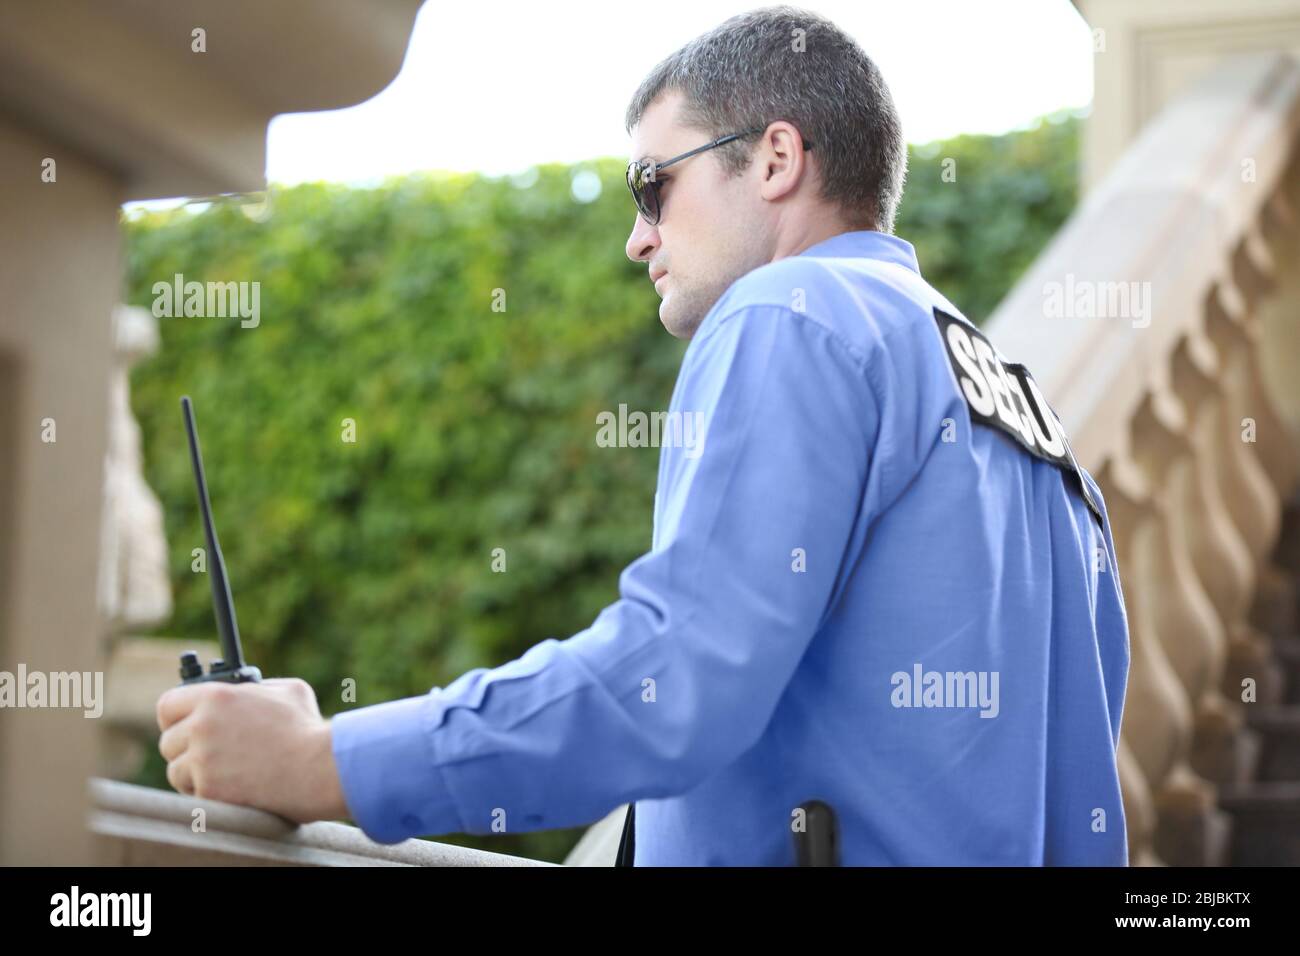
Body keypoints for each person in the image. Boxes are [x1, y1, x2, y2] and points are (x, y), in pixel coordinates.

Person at [156, 6, 1130, 866]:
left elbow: (671, 679)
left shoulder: (789, 311)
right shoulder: (1030, 421)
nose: (636, 237)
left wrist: (321, 759)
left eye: (650, 183)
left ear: (776, 158)